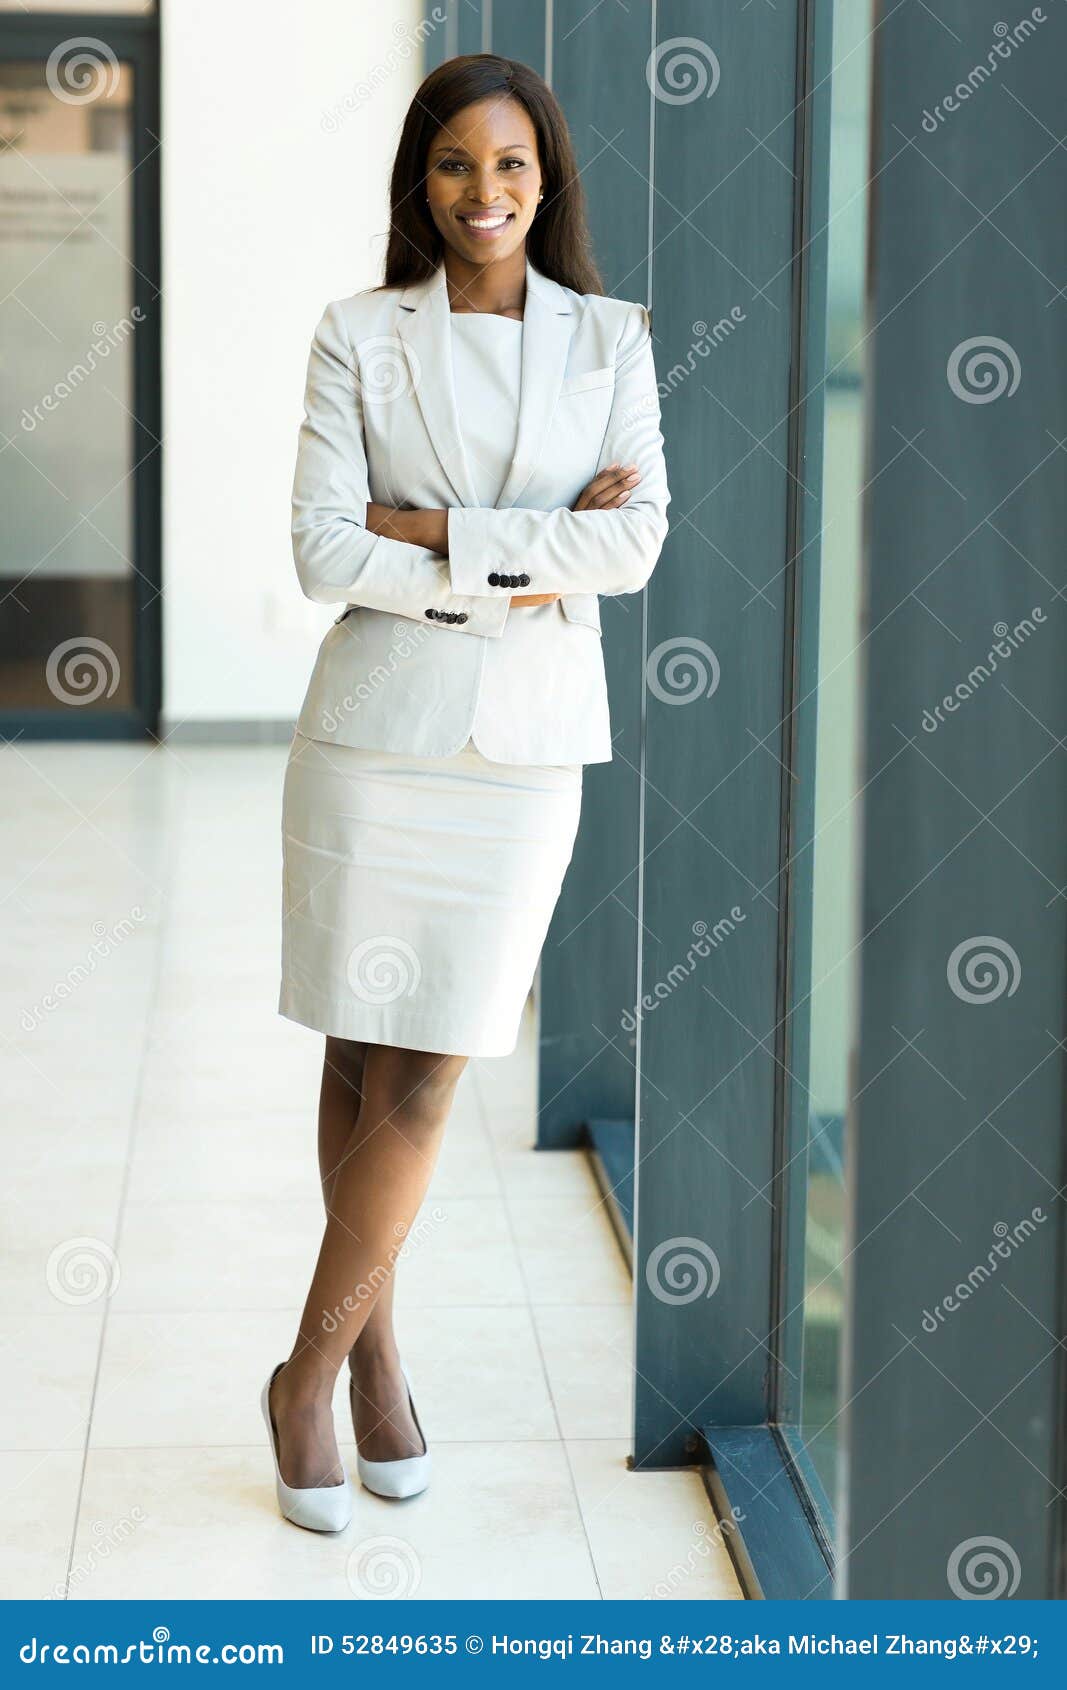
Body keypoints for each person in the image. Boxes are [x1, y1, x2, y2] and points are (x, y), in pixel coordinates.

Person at [264, 51, 670, 1531]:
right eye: (452, 166)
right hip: (374, 744)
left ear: (544, 177)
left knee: (435, 1072)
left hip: (521, 762)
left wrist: (432, 534)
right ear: (417, 185)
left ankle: (301, 1370)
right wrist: (526, 550)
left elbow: (632, 550)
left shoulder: (608, 341)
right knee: (363, 1059)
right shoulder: (356, 335)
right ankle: (377, 1370)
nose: (481, 192)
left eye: (507, 165)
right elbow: (321, 550)